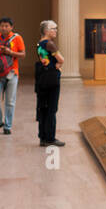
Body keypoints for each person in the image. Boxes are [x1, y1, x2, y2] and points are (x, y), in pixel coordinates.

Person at [35, 19, 66, 148]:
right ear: (46, 31)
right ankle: (50, 138)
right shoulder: (50, 44)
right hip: (52, 79)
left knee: (43, 108)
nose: (56, 31)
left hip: (42, 77)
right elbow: (61, 59)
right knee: (52, 109)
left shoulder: (40, 43)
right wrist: (58, 65)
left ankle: (43, 137)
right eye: (54, 28)